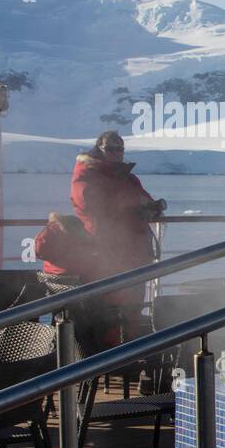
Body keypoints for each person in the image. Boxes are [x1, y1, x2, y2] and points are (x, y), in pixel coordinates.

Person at [70, 130, 166, 347]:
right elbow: (90, 206)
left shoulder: (127, 178)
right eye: (110, 149)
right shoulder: (88, 174)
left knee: (132, 304)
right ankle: (109, 353)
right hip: (109, 251)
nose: (116, 153)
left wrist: (152, 208)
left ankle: (127, 349)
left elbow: (143, 199)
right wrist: (131, 210)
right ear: (98, 149)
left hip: (135, 251)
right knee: (110, 304)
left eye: (120, 149)